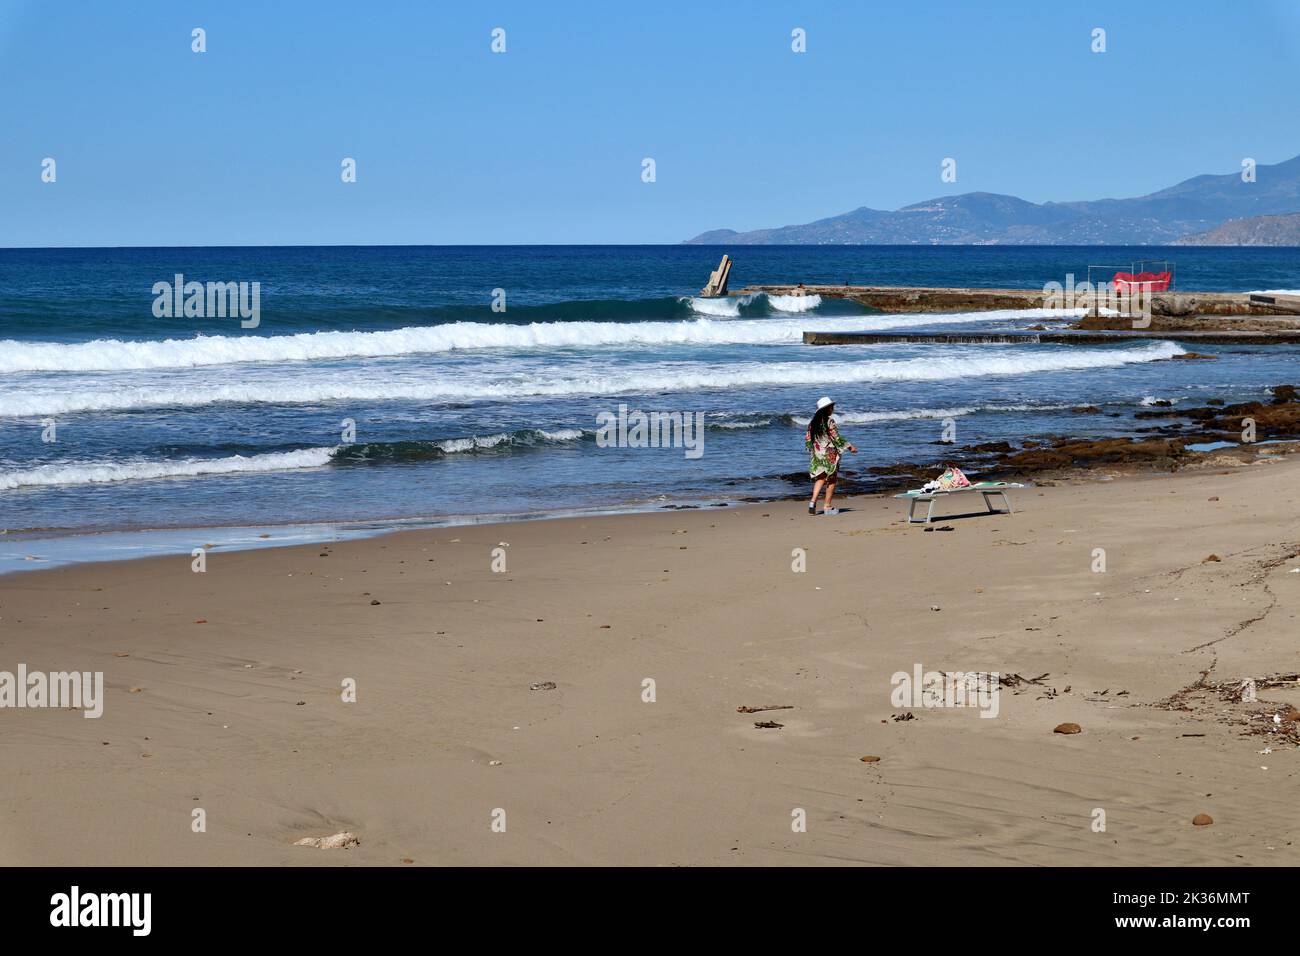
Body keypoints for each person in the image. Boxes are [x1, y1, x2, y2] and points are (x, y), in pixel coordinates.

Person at [805, 396, 856, 515]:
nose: (833, 409)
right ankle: (827, 506)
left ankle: (812, 502)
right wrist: (850, 446)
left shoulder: (812, 423)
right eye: (831, 407)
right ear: (827, 409)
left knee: (820, 478)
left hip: (817, 454)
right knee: (831, 479)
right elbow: (836, 438)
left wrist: (815, 452)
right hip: (830, 454)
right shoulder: (829, 421)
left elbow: (808, 440)